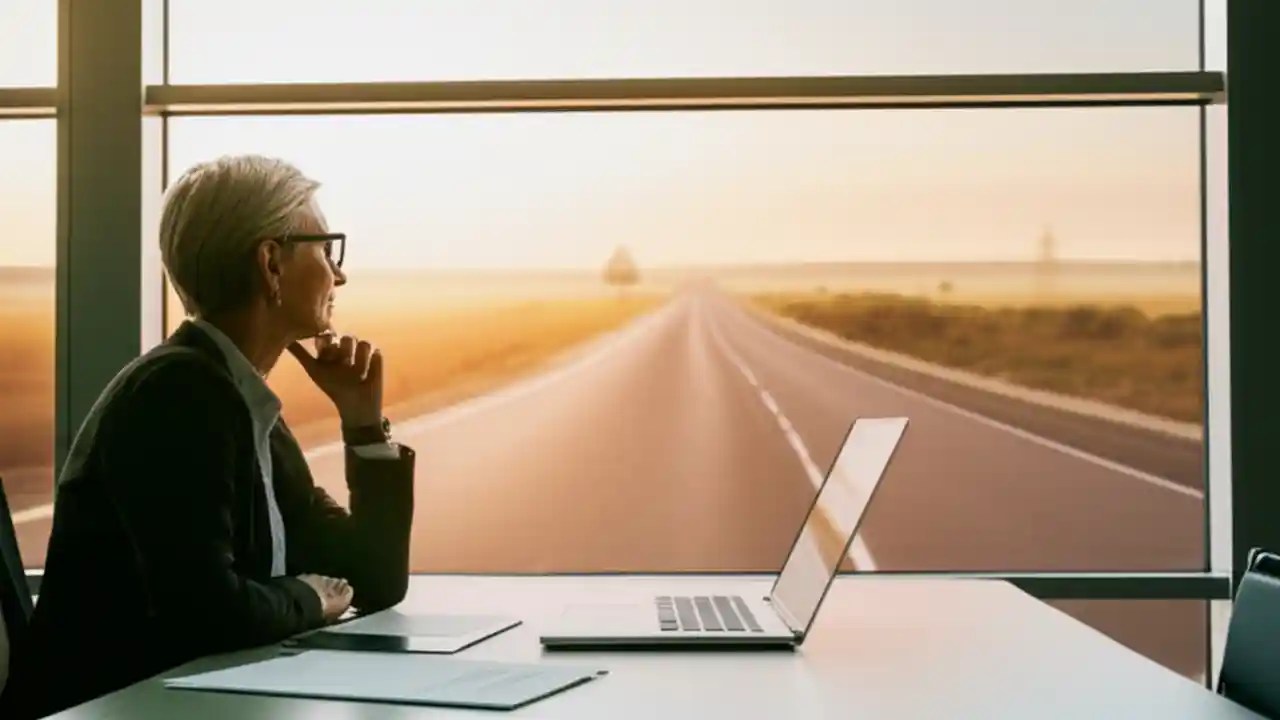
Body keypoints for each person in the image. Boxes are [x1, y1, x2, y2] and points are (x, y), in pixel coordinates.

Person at [0, 155, 415, 719]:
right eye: (325, 248)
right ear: (271, 264)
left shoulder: (237, 398)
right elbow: (205, 611)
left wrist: (363, 425)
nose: (339, 275)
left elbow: (374, 579)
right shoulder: (176, 394)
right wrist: (310, 598)